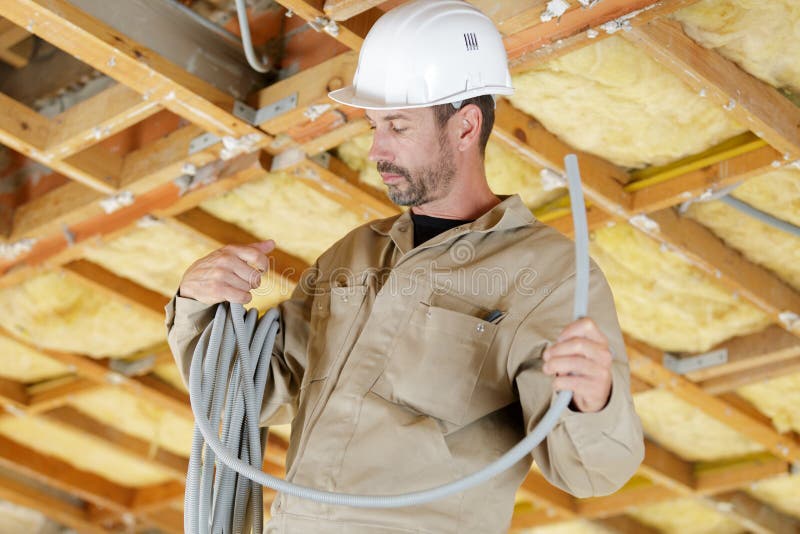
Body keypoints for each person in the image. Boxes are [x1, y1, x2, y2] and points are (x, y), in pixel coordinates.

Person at [166, 1, 644, 532]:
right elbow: (247, 396)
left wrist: (592, 399)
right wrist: (196, 304)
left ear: (465, 127)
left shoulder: (549, 275)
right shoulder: (353, 256)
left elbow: (594, 476)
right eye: (374, 125)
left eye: (397, 125)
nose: (376, 149)